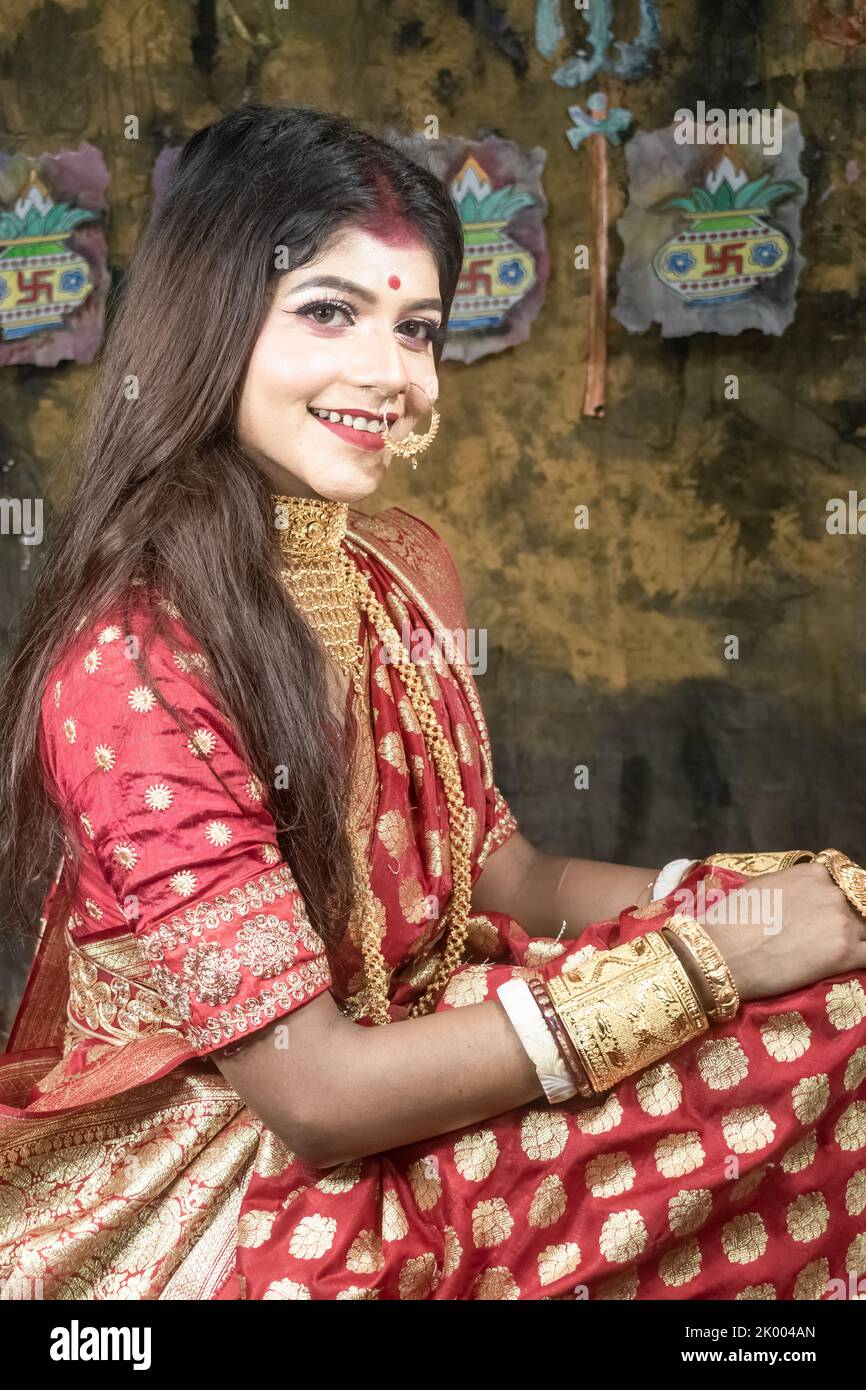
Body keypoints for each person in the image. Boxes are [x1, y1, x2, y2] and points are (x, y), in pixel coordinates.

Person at [0, 104, 865, 1302]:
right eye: (328, 312)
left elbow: (504, 880)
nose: (387, 374)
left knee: (835, 992)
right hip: (244, 1173)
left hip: (424, 1044)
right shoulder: (133, 665)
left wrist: (744, 905)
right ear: (206, 321)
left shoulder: (384, 574)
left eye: (416, 329)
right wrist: (708, 957)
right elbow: (313, 1095)